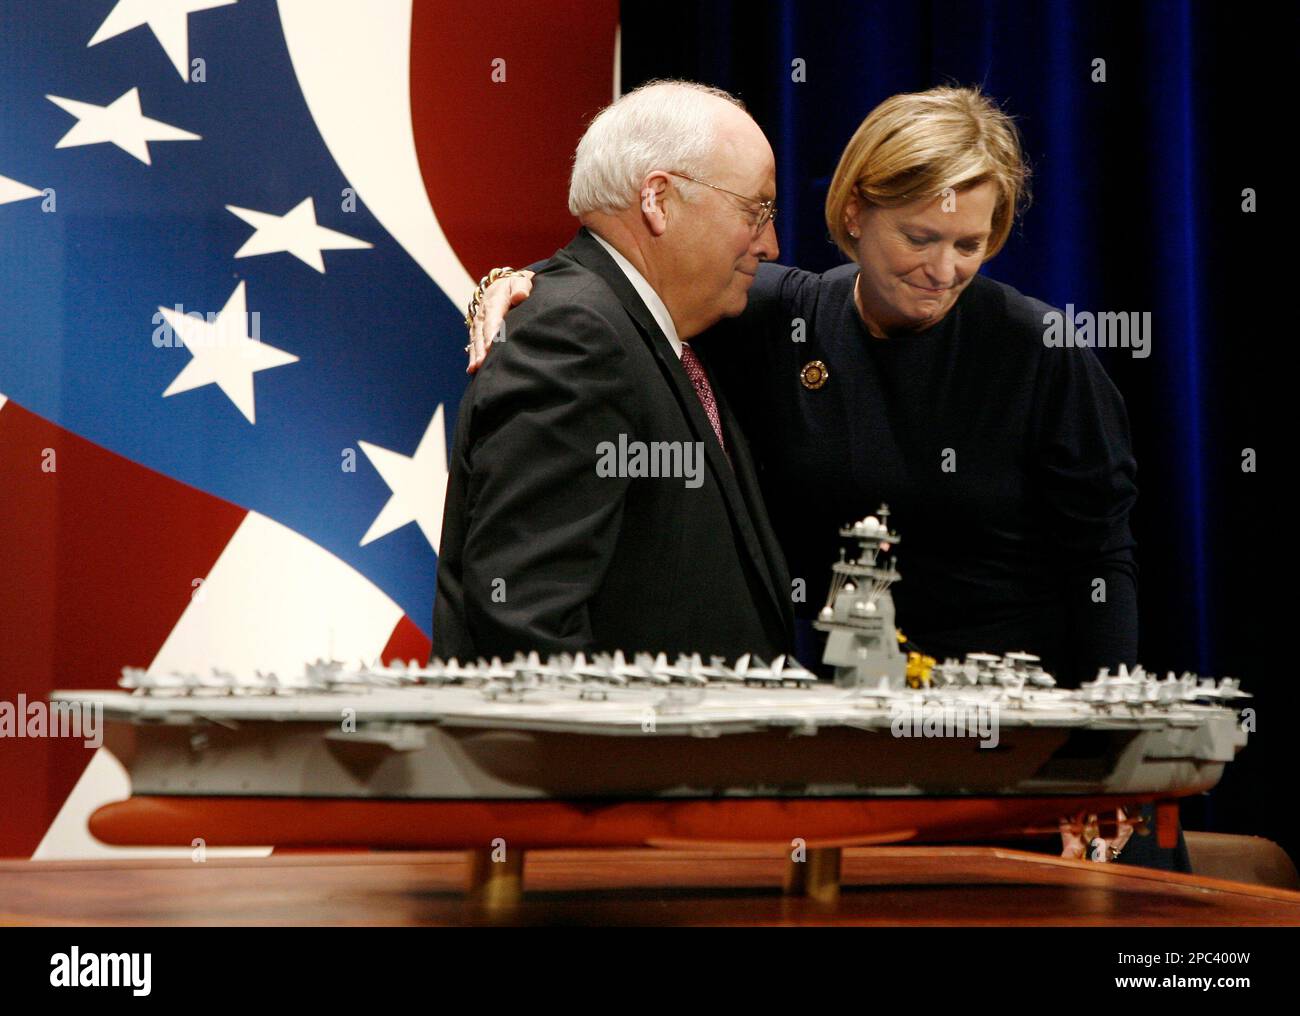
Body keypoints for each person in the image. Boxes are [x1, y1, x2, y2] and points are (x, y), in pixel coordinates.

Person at [468, 85, 1185, 870]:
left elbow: (1102, 568)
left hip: (1019, 747)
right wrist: (513, 281)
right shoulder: (771, 317)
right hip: (854, 749)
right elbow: (622, 281)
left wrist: (1103, 763)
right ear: (853, 215)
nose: (944, 270)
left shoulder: (1043, 354)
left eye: (971, 245)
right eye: (920, 237)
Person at [432, 80, 794, 662]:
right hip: (612, 753)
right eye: (757, 210)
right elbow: (527, 622)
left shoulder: (643, 326)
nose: (771, 243)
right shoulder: (575, 335)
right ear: (658, 199)